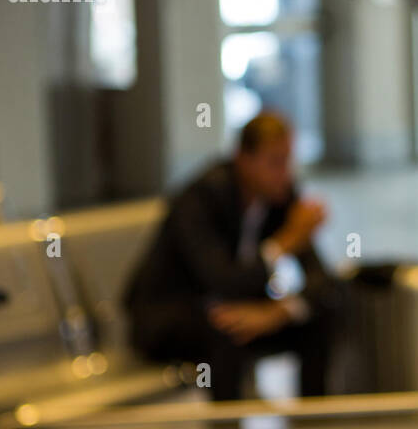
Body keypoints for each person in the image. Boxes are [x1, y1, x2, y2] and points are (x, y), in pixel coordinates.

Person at [124, 111, 342, 402]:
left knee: (319, 315)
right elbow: (221, 281)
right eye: (275, 162)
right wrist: (285, 243)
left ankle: (313, 427)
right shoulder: (200, 199)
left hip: (239, 313)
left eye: (289, 160)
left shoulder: (279, 195)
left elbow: (321, 278)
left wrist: (278, 312)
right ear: (243, 159)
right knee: (226, 329)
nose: (286, 173)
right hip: (170, 318)